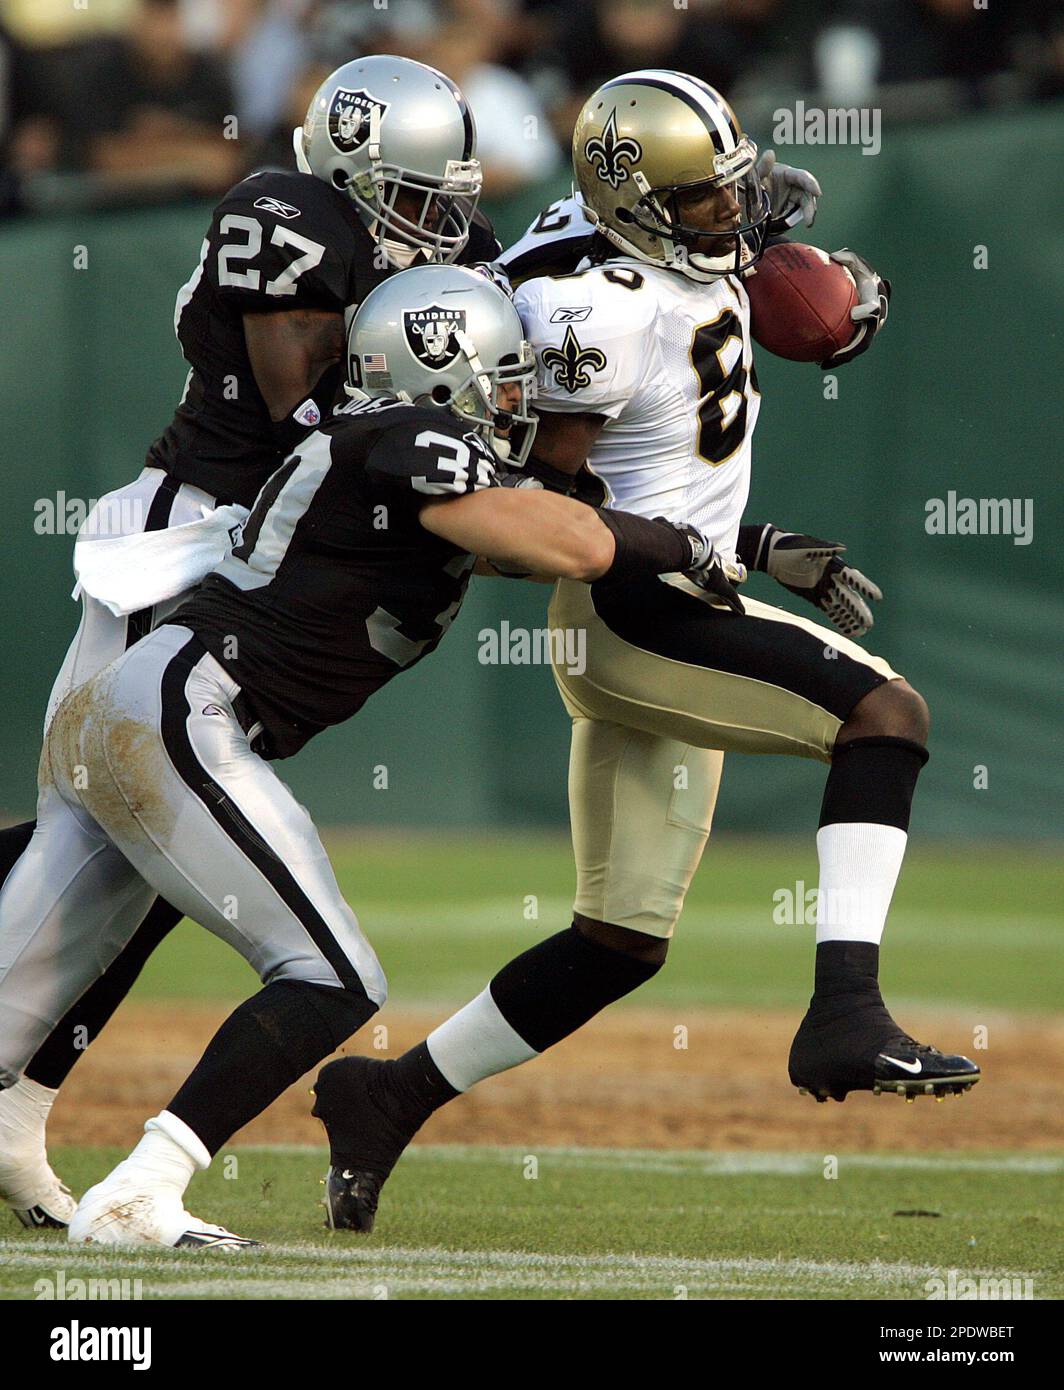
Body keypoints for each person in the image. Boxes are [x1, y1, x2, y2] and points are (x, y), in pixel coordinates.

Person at [309, 70, 978, 1234]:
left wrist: (754, 541)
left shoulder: (638, 255)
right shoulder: (595, 305)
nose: (736, 215)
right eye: (707, 201)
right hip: (644, 619)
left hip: (676, 597)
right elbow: (549, 519)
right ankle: (844, 1010)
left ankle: (383, 1095)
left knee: (618, 940)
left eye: (729, 189)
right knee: (886, 715)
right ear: (632, 206)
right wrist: (708, 557)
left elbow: (654, 461)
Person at [0, 265, 734, 1248]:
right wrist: (691, 545)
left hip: (134, 705)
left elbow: (531, 534)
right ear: (445, 370)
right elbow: (567, 541)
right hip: (180, 710)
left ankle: (131, 1185)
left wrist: (743, 544)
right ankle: (141, 1192)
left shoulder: (383, 455)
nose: (518, 401)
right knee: (331, 974)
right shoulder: (406, 435)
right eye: (503, 377)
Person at [0, 52, 501, 1231]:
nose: (443, 226)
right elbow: (298, 404)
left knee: (140, 846)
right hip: (190, 534)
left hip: (266, 547)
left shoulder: (424, 252)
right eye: (417, 195)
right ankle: (27, 1115)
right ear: (349, 170)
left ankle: (18, 1113)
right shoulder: (286, 218)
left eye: (450, 197)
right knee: (114, 826)